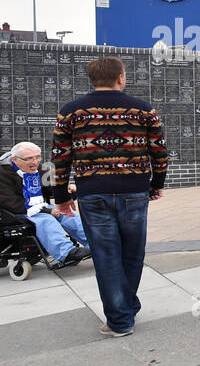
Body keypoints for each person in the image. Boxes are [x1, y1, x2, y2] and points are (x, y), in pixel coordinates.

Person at [50, 56, 168, 336]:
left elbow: (59, 158)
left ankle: (121, 315)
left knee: (106, 257)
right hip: (134, 191)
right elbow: (159, 151)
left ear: (92, 79)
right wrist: (156, 183)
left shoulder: (71, 112)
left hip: (92, 193)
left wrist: (60, 196)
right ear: (121, 78)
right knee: (132, 254)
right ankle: (123, 312)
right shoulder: (143, 110)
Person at [0, 141, 91, 268]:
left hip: (39, 207)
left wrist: (66, 191)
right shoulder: (3, 173)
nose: (35, 162)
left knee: (67, 213)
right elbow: (10, 202)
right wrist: (47, 211)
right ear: (15, 159)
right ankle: (66, 253)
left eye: (37, 157)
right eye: (29, 158)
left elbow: (50, 188)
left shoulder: (38, 168)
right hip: (15, 211)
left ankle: (95, 244)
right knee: (47, 219)